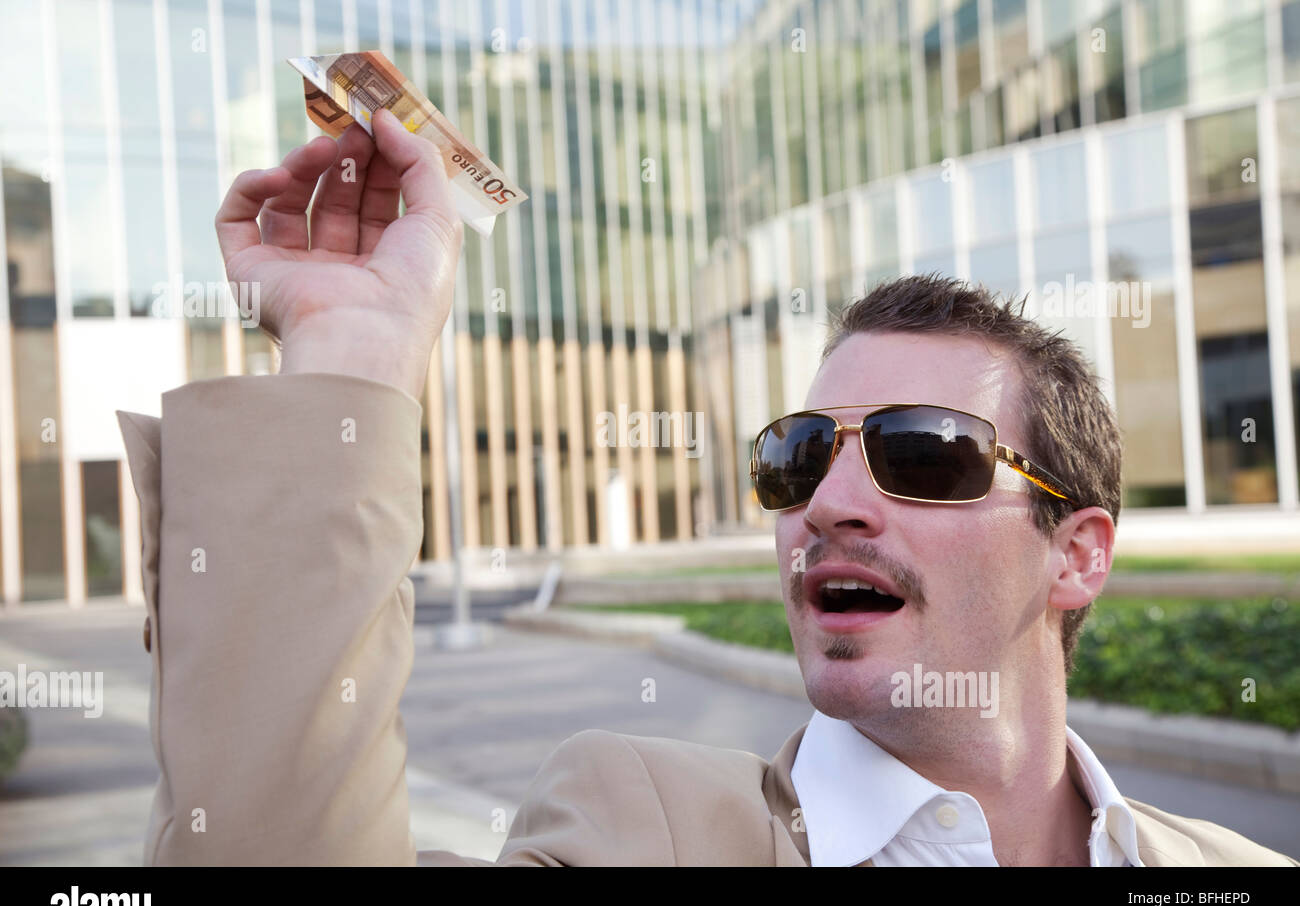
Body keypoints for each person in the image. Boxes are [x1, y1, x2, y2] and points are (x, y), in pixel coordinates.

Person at [116, 115, 1295, 866]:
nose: (828, 500)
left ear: (1077, 550)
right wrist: (354, 360)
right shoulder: (640, 822)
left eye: (922, 452)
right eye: (795, 455)